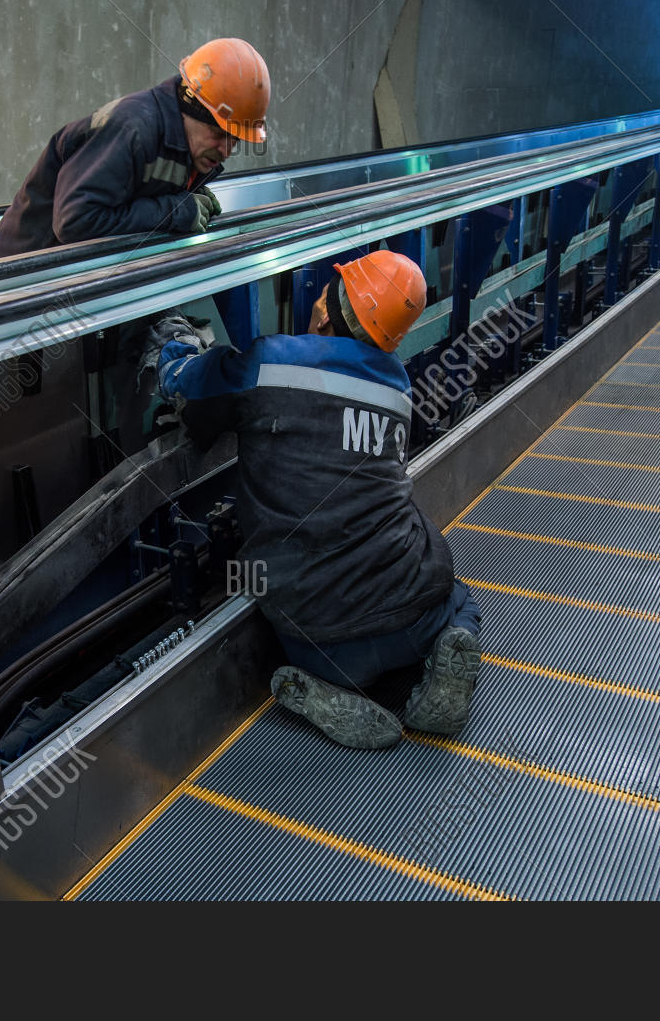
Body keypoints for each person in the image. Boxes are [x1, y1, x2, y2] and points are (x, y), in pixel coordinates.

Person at [148, 251, 483, 750]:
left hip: (320, 637)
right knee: (459, 598)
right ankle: (448, 653)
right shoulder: (397, 384)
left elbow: (188, 386)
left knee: (294, 608)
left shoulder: (268, 361)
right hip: (416, 611)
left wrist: (174, 345)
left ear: (325, 312)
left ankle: (329, 688)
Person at [0, 37, 270, 262]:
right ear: (189, 108)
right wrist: (176, 211)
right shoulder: (132, 129)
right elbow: (75, 221)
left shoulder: (184, 147)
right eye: (219, 133)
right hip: (7, 293)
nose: (227, 150)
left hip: (60, 286)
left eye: (236, 139)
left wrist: (185, 197)